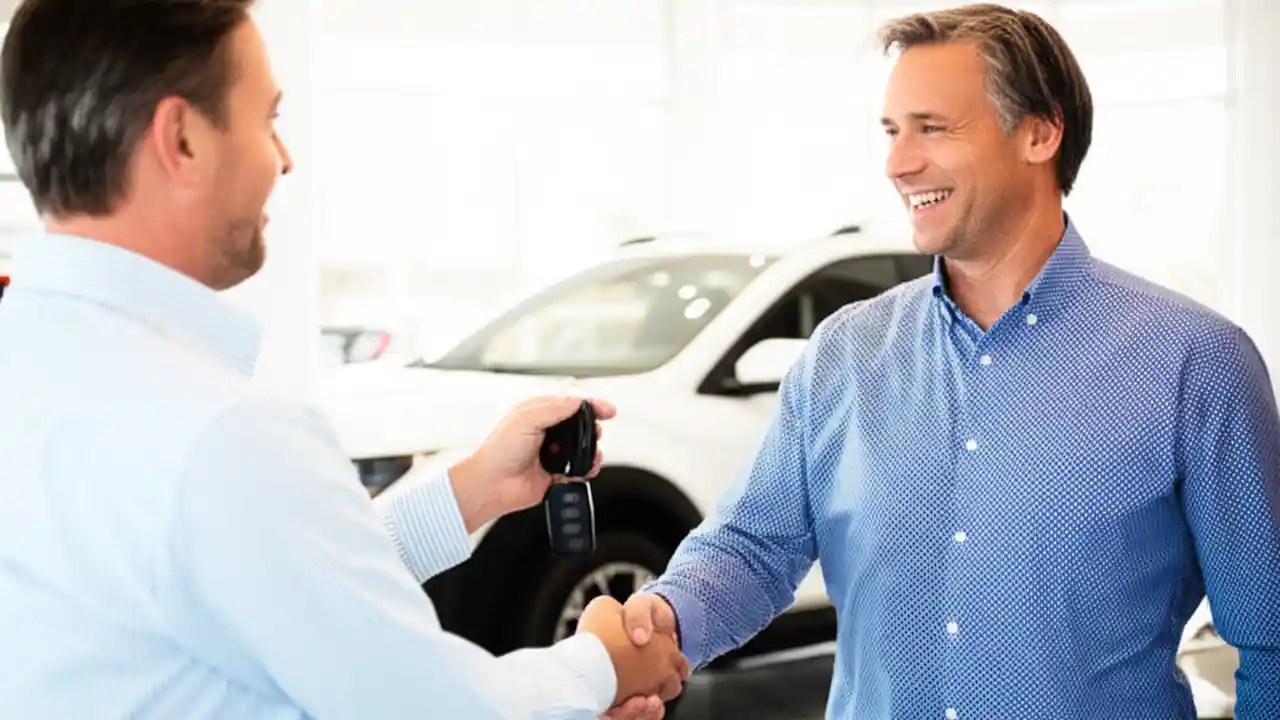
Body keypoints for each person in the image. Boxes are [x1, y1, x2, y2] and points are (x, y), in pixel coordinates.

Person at [0, 1, 687, 718]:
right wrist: (604, 661)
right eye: (268, 119)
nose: (284, 158)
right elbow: (432, 706)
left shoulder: (33, 363)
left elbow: (291, 591)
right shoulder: (220, 434)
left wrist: (469, 491)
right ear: (183, 140)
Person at [618, 4, 1280, 719]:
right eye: (893, 131)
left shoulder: (1195, 363)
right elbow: (751, 551)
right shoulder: (844, 355)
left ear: (1040, 132)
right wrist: (654, 627)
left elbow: (1271, 642)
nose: (899, 162)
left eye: (932, 128)